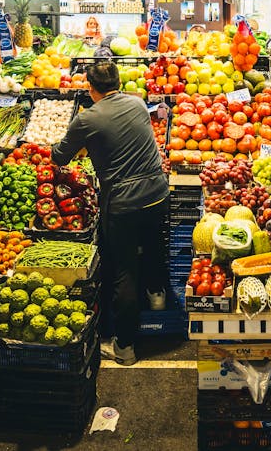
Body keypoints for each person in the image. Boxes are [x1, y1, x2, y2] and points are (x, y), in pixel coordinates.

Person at [51, 61, 170, 364]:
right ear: (119, 82)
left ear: (90, 89)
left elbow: (59, 156)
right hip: (157, 194)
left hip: (123, 203)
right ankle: (158, 301)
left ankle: (125, 347)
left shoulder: (86, 118)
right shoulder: (138, 103)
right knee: (155, 247)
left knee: (124, 270)